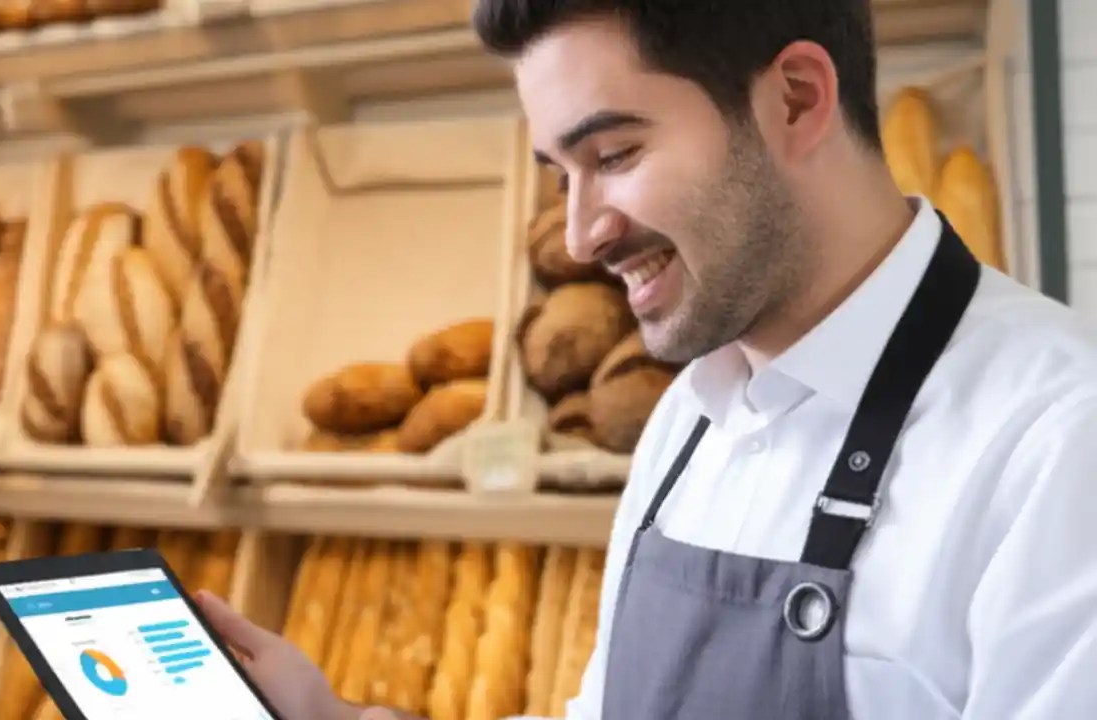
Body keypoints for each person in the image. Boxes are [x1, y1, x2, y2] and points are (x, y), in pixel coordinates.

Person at [198, 1, 1097, 717]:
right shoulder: (690, 420)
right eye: (561, 175)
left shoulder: (1054, 442)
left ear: (795, 98)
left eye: (615, 154)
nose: (582, 233)